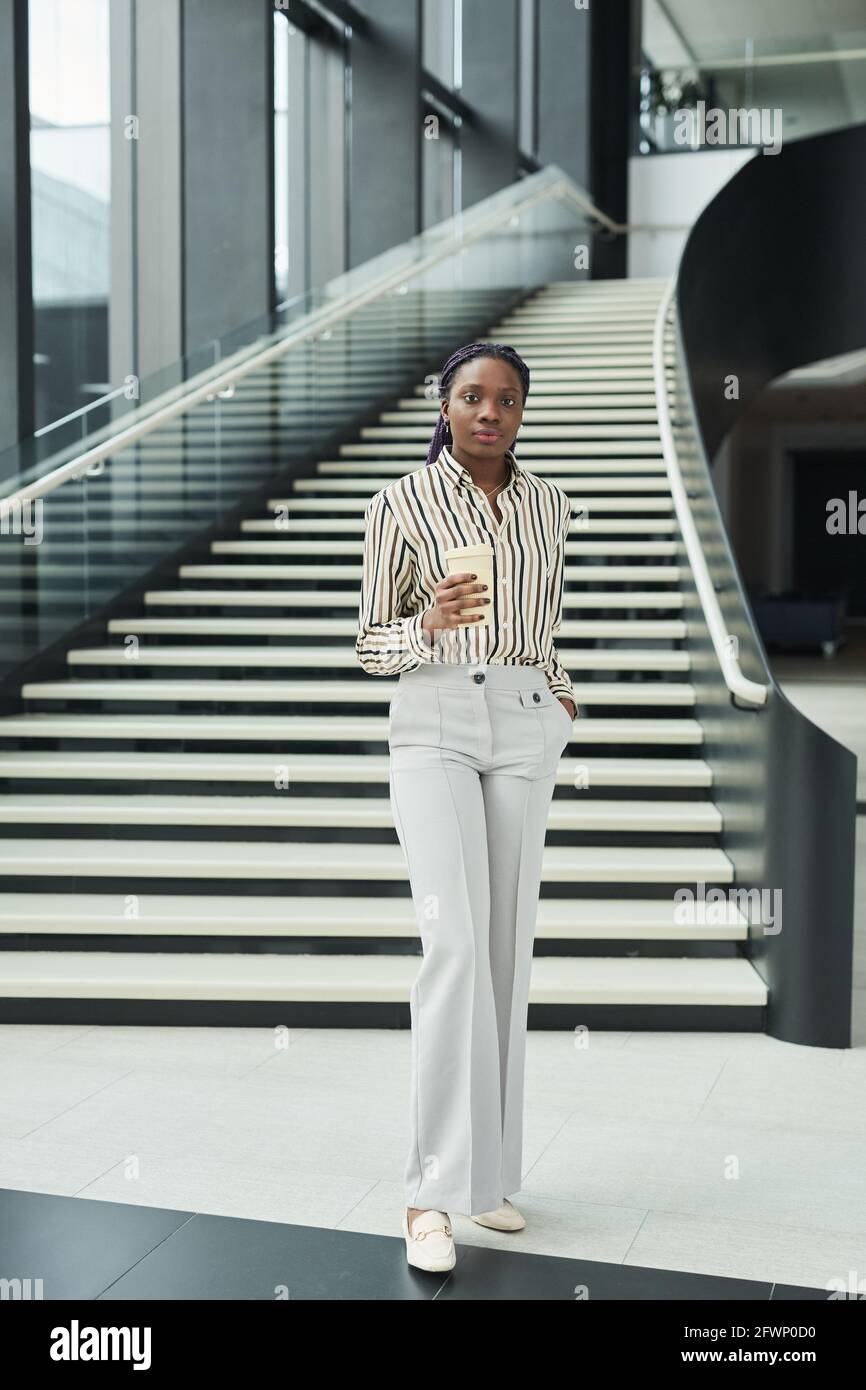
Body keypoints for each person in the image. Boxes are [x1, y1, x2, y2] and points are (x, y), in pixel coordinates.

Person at [355, 341, 579, 1272]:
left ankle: (487, 1181)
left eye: (508, 400)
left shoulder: (550, 505)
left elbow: (546, 623)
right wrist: (428, 625)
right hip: (436, 715)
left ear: (521, 414)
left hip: (523, 719)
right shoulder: (398, 502)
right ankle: (430, 1197)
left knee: (504, 950)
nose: (491, 412)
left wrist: (561, 695)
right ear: (445, 405)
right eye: (474, 397)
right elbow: (371, 643)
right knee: (452, 945)